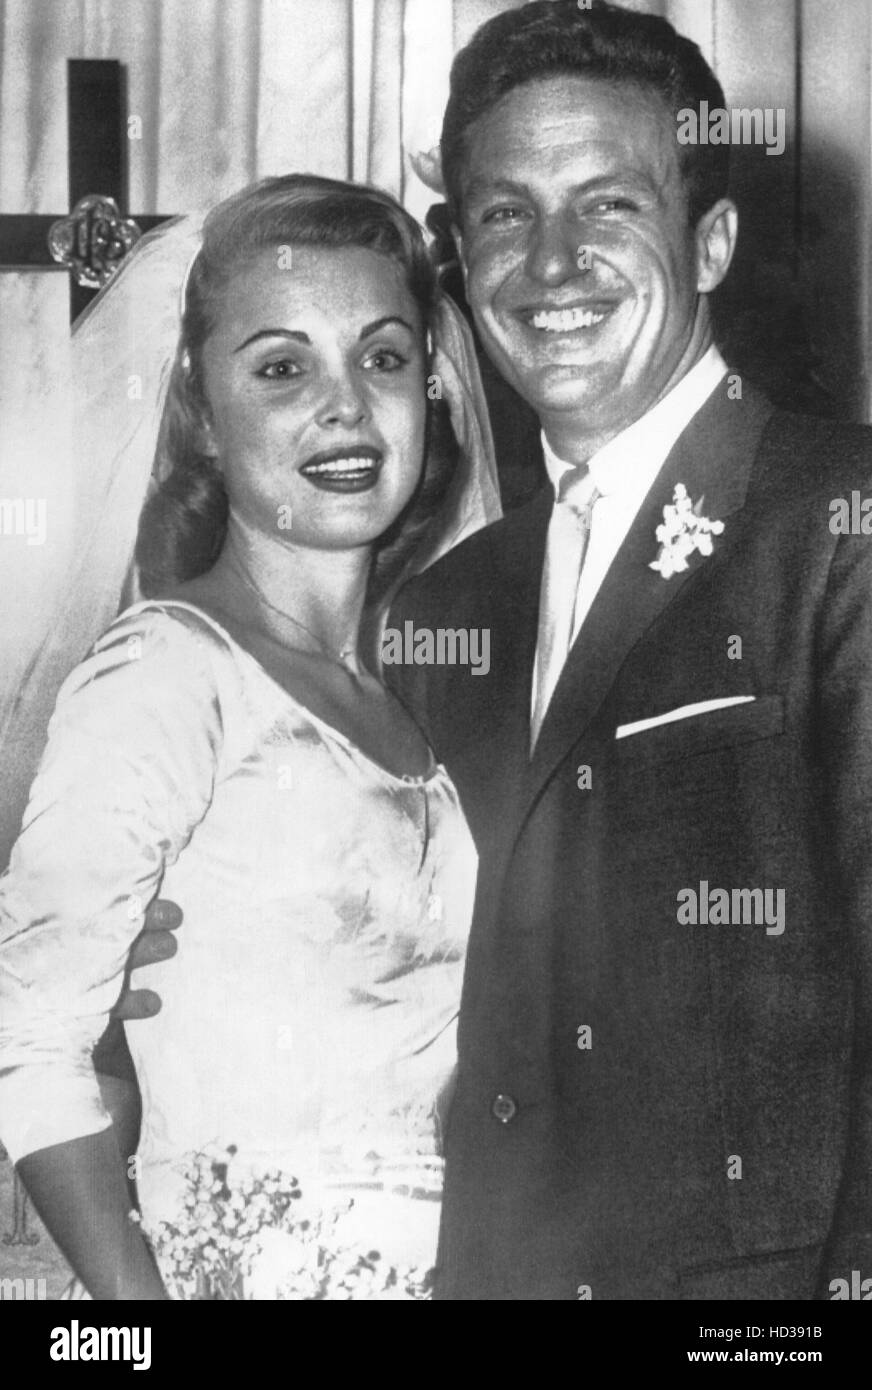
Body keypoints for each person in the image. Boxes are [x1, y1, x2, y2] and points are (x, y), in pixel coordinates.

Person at [110, 0, 872, 1301]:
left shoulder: (836, 523)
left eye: (610, 206)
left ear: (714, 239)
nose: (554, 263)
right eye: (507, 215)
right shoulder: (446, 608)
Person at [0, 173, 500, 1300]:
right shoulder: (165, 675)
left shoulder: (438, 696)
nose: (343, 408)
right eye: (281, 367)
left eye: (380, 357)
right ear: (199, 409)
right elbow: (29, 1046)